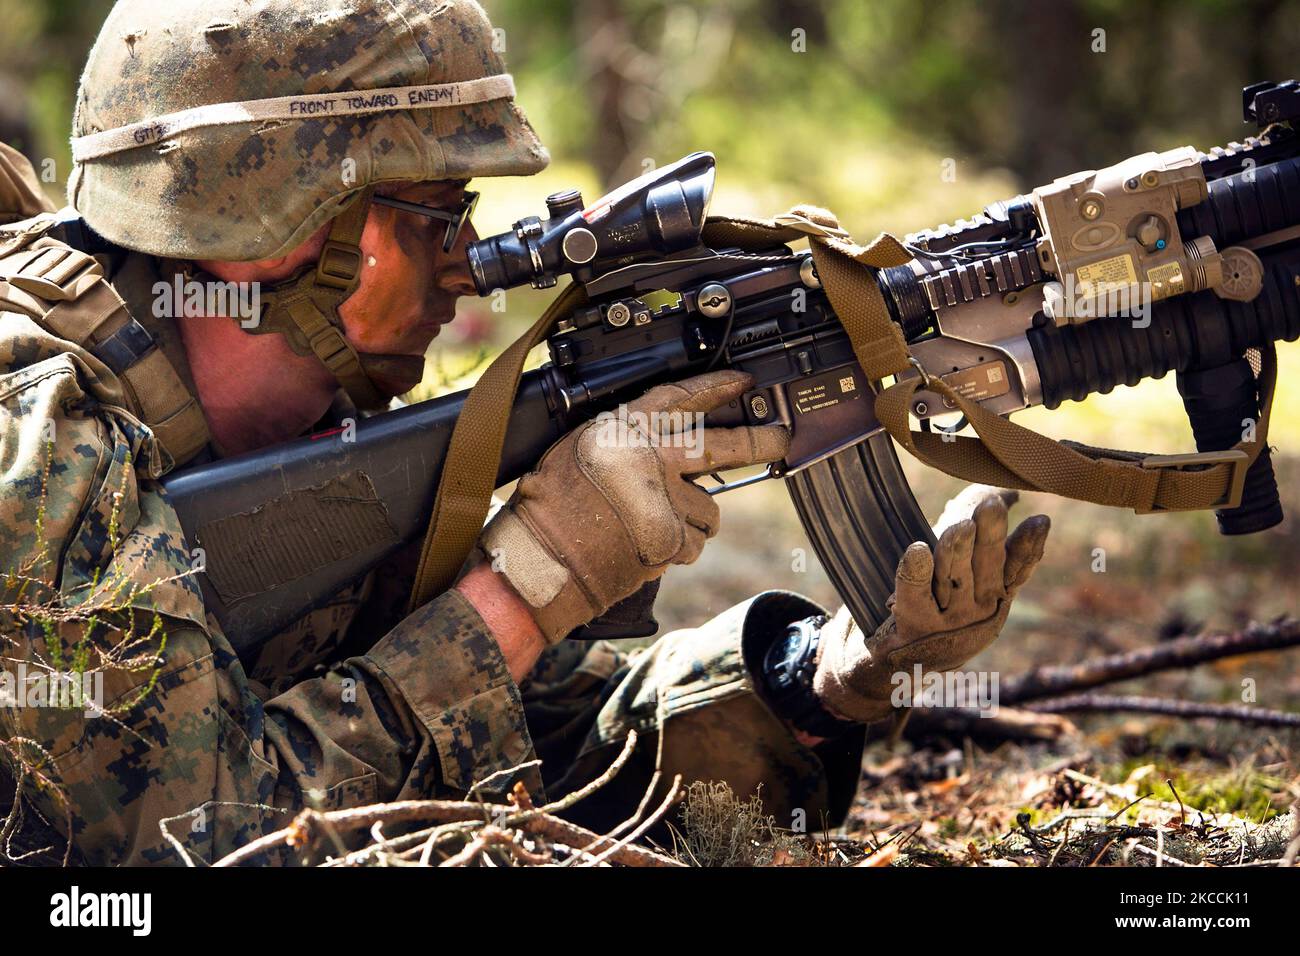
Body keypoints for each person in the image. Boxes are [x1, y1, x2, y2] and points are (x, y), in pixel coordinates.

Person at [0, 0, 1047, 865]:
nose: (465, 266)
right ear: (262, 234)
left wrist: (824, 681)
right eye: (431, 217)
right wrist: (522, 588)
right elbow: (197, 846)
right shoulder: (31, 441)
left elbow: (520, 753)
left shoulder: (292, 442)